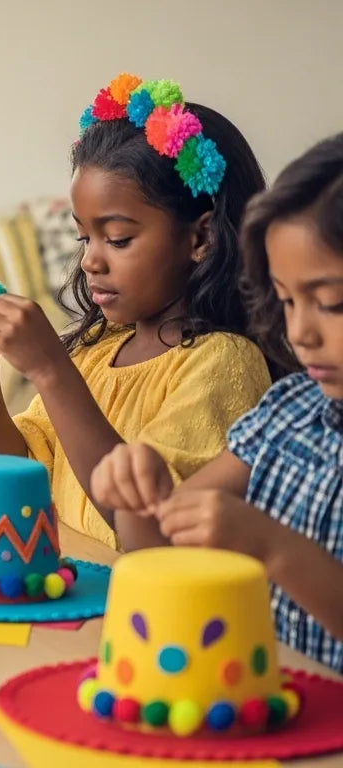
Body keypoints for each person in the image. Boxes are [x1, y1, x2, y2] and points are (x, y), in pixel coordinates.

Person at [0, 74, 271, 550]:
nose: (91, 260)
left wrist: (51, 370)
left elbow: (148, 526)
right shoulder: (99, 352)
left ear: (200, 238)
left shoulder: (223, 363)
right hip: (64, 603)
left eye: (117, 238)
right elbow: (15, 485)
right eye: (85, 238)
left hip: (136, 614)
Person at [91, 132, 343, 672]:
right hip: (268, 713)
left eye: (331, 304)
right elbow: (154, 547)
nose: (301, 333)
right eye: (286, 300)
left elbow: (265, 545)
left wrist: (273, 548)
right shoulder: (290, 412)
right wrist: (143, 489)